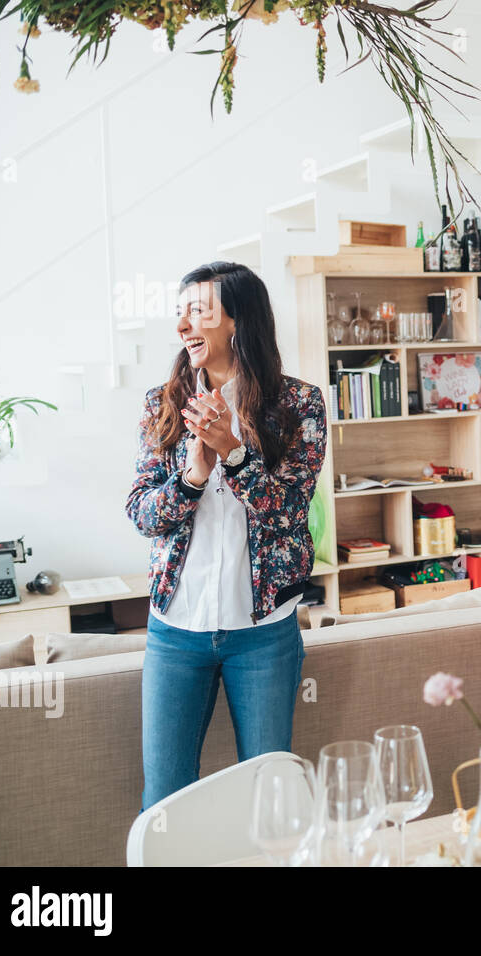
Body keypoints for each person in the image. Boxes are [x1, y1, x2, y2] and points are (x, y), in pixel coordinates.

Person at [125, 261, 327, 810]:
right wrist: (192, 476)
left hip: (263, 634)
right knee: (163, 801)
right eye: (180, 313)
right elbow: (143, 513)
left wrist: (235, 456)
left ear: (239, 321)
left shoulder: (299, 406)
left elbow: (288, 513)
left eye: (198, 312)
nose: (183, 326)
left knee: (269, 798)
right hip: (175, 633)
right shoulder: (161, 403)